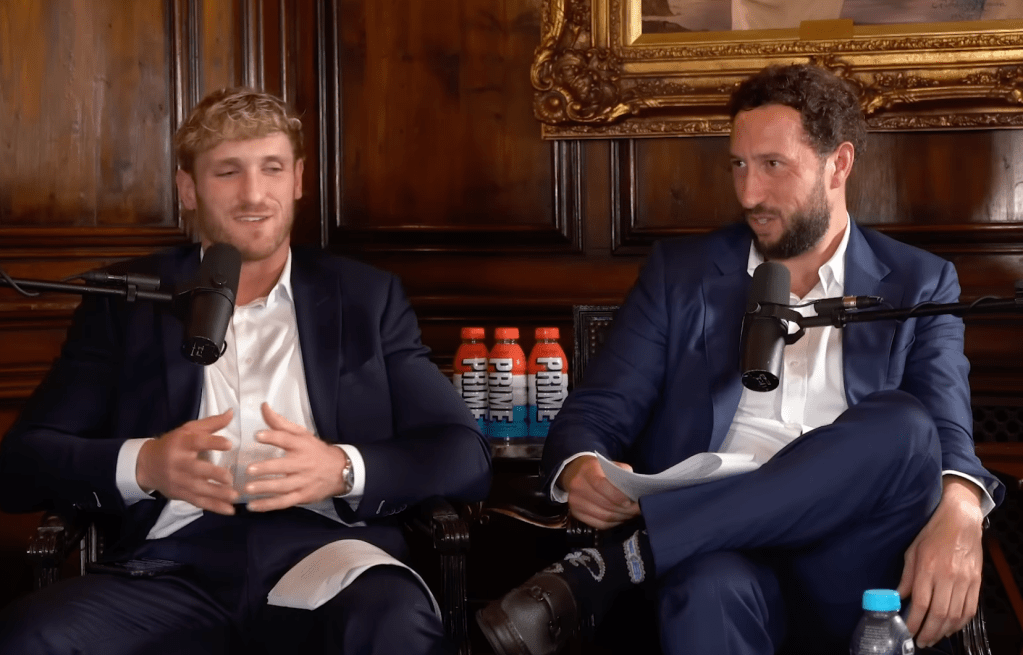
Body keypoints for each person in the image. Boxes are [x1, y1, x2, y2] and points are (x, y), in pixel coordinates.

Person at [476, 64, 1003, 655]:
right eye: (739, 165)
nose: (749, 193)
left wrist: (961, 510)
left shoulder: (919, 281)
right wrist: (580, 466)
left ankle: (626, 560)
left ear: (840, 164)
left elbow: (947, 428)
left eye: (773, 165)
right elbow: (598, 409)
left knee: (904, 424)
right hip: (719, 557)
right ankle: (645, 556)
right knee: (706, 589)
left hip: (854, 564)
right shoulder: (681, 275)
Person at [0, 87, 491, 655]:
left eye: (272, 169)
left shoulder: (366, 297)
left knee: (393, 625)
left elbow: (465, 455)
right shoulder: (125, 300)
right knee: (29, 638)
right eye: (227, 172)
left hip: (328, 556)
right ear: (188, 189)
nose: (254, 194)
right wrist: (146, 463)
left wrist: (341, 469)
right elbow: (20, 466)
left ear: (299, 180)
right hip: (168, 569)